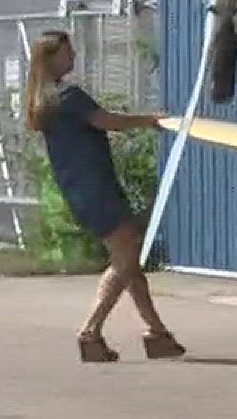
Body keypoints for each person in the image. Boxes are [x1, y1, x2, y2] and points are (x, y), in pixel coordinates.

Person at [22, 29, 186, 363]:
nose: (73, 57)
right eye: (67, 52)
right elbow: (107, 121)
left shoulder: (45, 102)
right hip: (97, 188)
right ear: (51, 59)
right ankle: (90, 331)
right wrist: (150, 120)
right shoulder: (69, 97)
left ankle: (157, 333)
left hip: (80, 189)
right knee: (125, 259)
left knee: (129, 260)